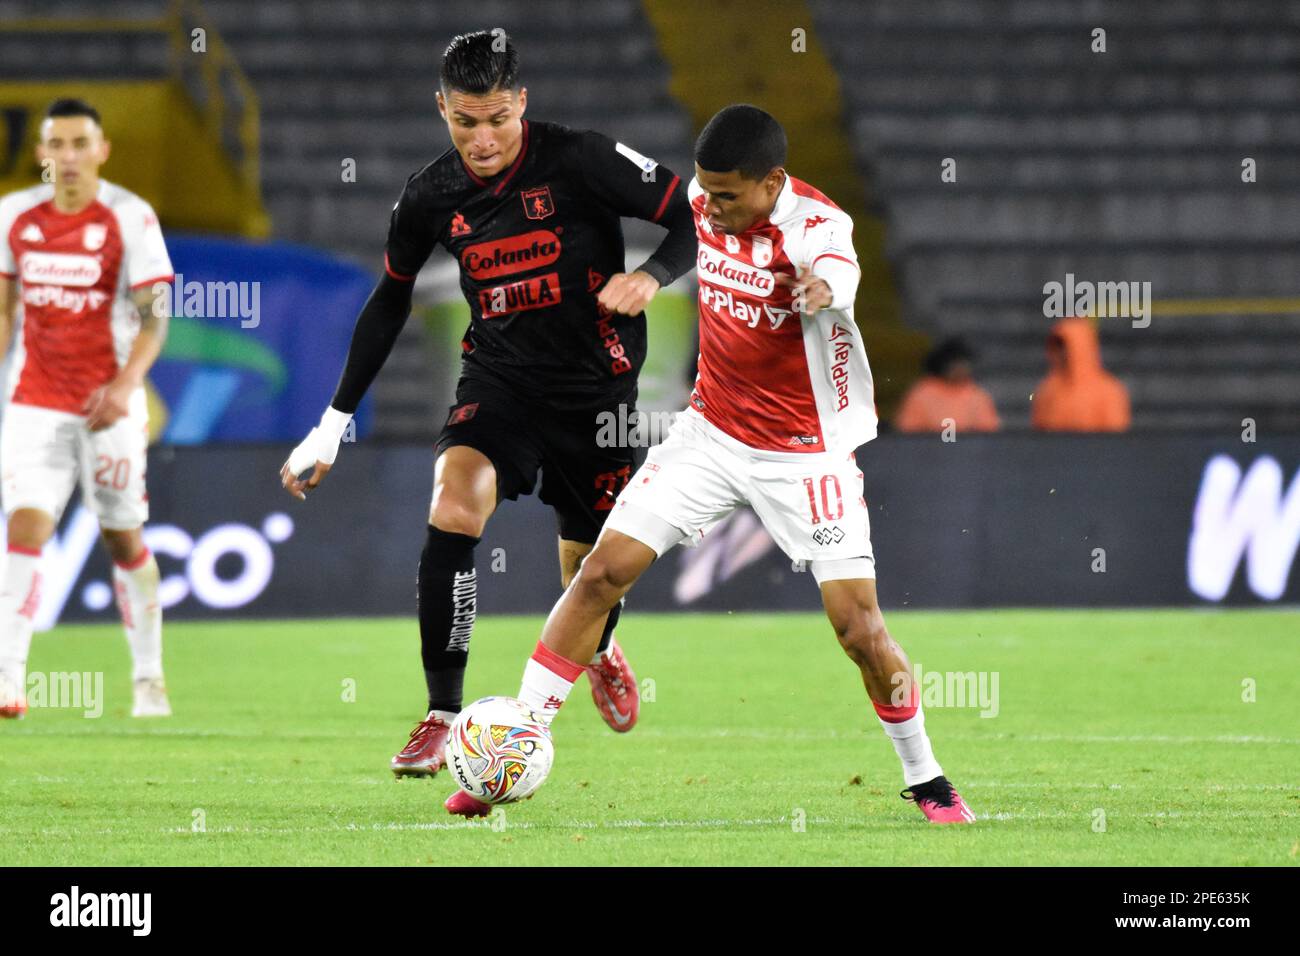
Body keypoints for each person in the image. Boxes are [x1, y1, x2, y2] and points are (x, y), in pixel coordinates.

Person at [447, 104, 975, 824]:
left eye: (728, 196)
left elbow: (836, 276)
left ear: (773, 182)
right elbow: (676, 228)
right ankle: (519, 738)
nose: (712, 207)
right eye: (706, 191)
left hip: (805, 455)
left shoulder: (818, 229)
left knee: (858, 627)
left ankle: (925, 775)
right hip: (711, 436)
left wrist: (821, 294)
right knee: (601, 571)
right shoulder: (704, 202)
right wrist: (647, 273)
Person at [280, 32, 696, 776]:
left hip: (597, 396)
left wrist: (652, 276)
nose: (482, 139)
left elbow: (692, 216)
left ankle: (598, 649)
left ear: (522, 104)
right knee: (453, 506)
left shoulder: (583, 158)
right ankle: (443, 714)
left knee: (591, 571)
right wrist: (330, 426)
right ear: (441, 108)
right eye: (465, 121)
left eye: (497, 119)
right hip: (498, 385)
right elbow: (388, 301)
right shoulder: (430, 195)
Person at [0, 99, 173, 719]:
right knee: (25, 526)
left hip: (109, 407)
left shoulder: (130, 218)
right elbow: (4, 310)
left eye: (80, 143)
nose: (67, 156)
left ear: (102, 150)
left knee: (123, 540)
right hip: (33, 402)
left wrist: (126, 386)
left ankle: (149, 677)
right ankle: (8, 680)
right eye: (56, 144)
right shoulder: (13, 216)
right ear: (41, 152)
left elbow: (157, 316)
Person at [1031, 316, 1130, 431]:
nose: (1061, 353)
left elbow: (1116, 436)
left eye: (1065, 346)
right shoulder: (1046, 391)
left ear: (1082, 347)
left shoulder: (1109, 391)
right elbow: (1039, 432)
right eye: (1058, 347)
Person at [894, 336, 999, 433]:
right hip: (930, 450)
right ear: (942, 365)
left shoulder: (977, 394)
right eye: (955, 365)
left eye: (964, 364)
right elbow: (908, 431)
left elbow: (989, 431)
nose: (960, 369)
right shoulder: (922, 394)